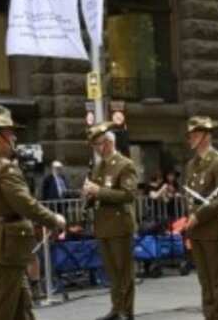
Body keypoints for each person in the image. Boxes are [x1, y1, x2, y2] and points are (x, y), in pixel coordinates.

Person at [0, 104, 66, 320]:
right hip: (6, 250)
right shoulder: (4, 168)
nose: (14, 139)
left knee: (21, 309)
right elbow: (26, 204)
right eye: (10, 134)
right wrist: (54, 219)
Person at [82, 123, 138, 320]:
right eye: (94, 145)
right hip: (103, 225)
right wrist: (89, 194)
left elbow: (128, 194)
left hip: (119, 225)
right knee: (112, 272)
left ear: (107, 143)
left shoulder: (124, 164)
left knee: (124, 272)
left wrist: (98, 191)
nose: (96, 149)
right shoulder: (99, 166)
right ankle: (116, 308)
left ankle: (126, 311)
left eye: (97, 144)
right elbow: (97, 194)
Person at [182, 116, 218, 320]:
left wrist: (199, 216)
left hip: (212, 228)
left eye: (195, 134)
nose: (191, 138)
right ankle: (209, 315)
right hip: (196, 229)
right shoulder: (191, 164)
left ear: (206, 135)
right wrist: (191, 217)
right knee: (204, 279)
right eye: (190, 135)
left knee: (216, 279)